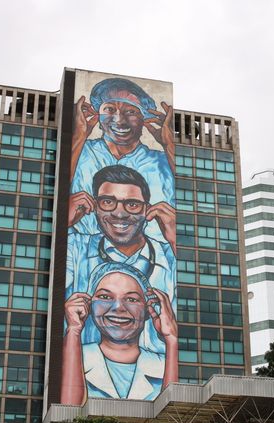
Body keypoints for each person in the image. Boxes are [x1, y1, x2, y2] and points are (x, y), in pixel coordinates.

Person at [67, 165, 176, 353]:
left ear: (147, 210)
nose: (119, 213)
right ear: (94, 205)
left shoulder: (170, 255)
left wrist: (175, 238)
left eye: (132, 204)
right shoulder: (75, 246)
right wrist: (64, 219)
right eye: (108, 202)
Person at [70, 77, 175, 237]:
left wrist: (169, 145)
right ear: (97, 115)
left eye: (131, 111)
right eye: (109, 109)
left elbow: (187, 199)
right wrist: (78, 138)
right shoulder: (80, 151)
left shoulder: (162, 161)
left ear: (145, 118)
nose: (119, 120)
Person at [61, 262, 178, 404]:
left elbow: (173, 411)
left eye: (131, 299)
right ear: (89, 305)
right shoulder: (72, 357)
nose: (118, 307)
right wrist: (73, 329)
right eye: (105, 297)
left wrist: (171, 338)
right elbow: (68, 411)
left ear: (148, 310)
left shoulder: (164, 364)